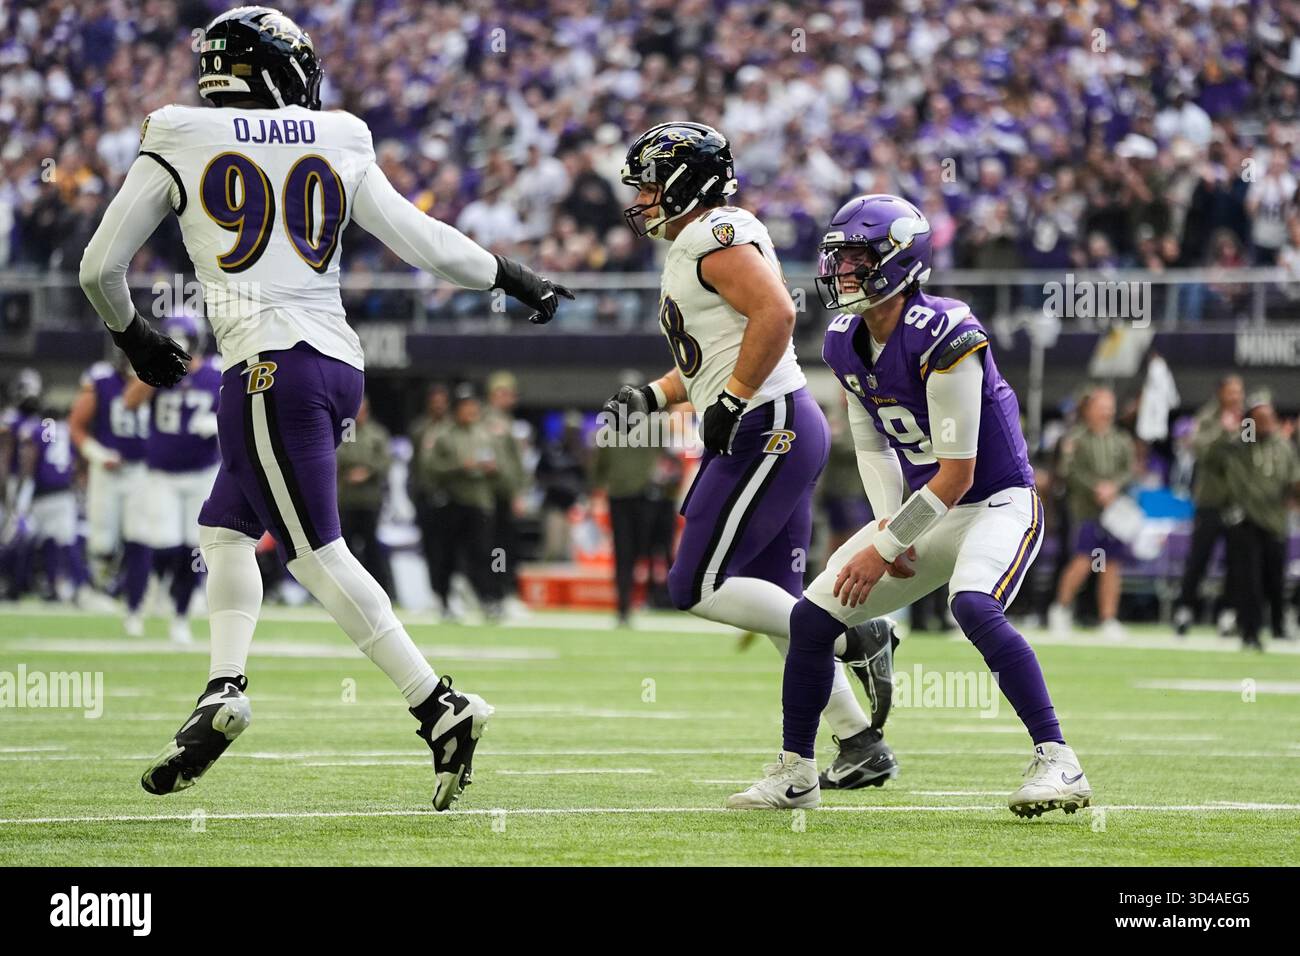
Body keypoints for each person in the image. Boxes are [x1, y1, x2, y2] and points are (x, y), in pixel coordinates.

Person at [77, 7, 571, 810]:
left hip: (270, 363)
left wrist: (133, 337)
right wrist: (513, 278)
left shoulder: (178, 131)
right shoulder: (338, 134)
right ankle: (222, 689)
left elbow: (100, 267)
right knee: (224, 527)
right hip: (334, 364)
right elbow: (423, 241)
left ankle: (437, 705)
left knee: (314, 553)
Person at [730, 194, 1088, 816]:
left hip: (995, 503)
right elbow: (873, 446)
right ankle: (797, 773)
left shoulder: (946, 332)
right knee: (810, 624)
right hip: (930, 508)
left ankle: (1059, 760)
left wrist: (889, 546)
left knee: (972, 605)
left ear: (899, 262)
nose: (842, 273)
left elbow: (958, 473)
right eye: (837, 260)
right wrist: (886, 527)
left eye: (857, 260)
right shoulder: (845, 339)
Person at [604, 123, 899, 790]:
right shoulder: (709, 237)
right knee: (777, 602)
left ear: (685, 183)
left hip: (769, 426)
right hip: (775, 423)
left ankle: (856, 636)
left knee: (696, 585)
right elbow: (716, 353)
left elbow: (775, 316)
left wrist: (734, 401)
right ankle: (858, 741)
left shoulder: (713, 236)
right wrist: (655, 395)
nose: (643, 199)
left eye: (651, 185)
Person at [123, 315, 223, 645]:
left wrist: (218, 423)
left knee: (192, 549)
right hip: (162, 474)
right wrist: (155, 369)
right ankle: (148, 595)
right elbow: (130, 402)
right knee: (163, 545)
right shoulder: (161, 370)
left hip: (201, 473)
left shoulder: (216, 373)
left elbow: (240, 413)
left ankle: (180, 616)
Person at [68, 351, 153, 635]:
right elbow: (77, 425)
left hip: (143, 470)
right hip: (106, 471)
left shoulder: (158, 376)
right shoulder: (101, 379)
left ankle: (135, 607)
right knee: (101, 544)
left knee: (139, 538)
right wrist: (96, 453)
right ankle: (93, 588)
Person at [1048, 387, 1136, 641]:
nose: (1107, 411)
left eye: (1110, 406)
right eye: (1102, 406)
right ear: (1089, 409)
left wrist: (1114, 487)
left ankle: (1108, 618)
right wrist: (1096, 488)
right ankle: (1060, 609)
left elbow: (1129, 469)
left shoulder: (1121, 439)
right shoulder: (1076, 438)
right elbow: (1070, 471)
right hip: (1085, 510)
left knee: (1111, 564)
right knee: (1083, 560)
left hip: (1113, 514)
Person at [1217, 397, 1299, 649]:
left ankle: (1278, 626)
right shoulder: (1242, 445)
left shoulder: (1283, 446)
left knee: (1275, 577)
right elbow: (1236, 481)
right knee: (1249, 580)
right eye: (1260, 419)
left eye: (1269, 418)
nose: (1266, 424)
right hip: (1247, 520)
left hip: (1275, 520)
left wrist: (1294, 494)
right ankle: (1250, 632)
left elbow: (1293, 477)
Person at [1173, 375, 1244, 635]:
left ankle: (1228, 614)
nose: (1236, 396)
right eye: (1231, 391)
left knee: (1236, 561)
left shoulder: (1246, 420)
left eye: (1239, 391)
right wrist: (1223, 431)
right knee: (1199, 558)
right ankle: (1184, 610)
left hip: (1237, 501)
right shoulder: (1206, 418)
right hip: (1210, 500)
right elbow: (1200, 451)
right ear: (1220, 392)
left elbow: (1251, 451)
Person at [422, 384, 500, 620]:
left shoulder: (484, 433)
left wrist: (490, 469)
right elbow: (430, 468)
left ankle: (488, 599)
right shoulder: (443, 434)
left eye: (472, 406)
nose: (470, 411)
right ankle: (445, 600)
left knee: (483, 553)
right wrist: (458, 467)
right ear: (456, 409)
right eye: (465, 407)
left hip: (479, 502)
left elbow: (497, 466)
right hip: (452, 501)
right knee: (447, 553)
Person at [336, 396, 393, 597]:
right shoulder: (344, 431)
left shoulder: (377, 433)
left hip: (370, 500)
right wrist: (350, 472)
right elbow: (336, 456)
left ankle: (380, 591)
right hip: (347, 500)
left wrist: (366, 472)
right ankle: (344, 592)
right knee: (345, 548)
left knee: (372, 548)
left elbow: (385, 461)